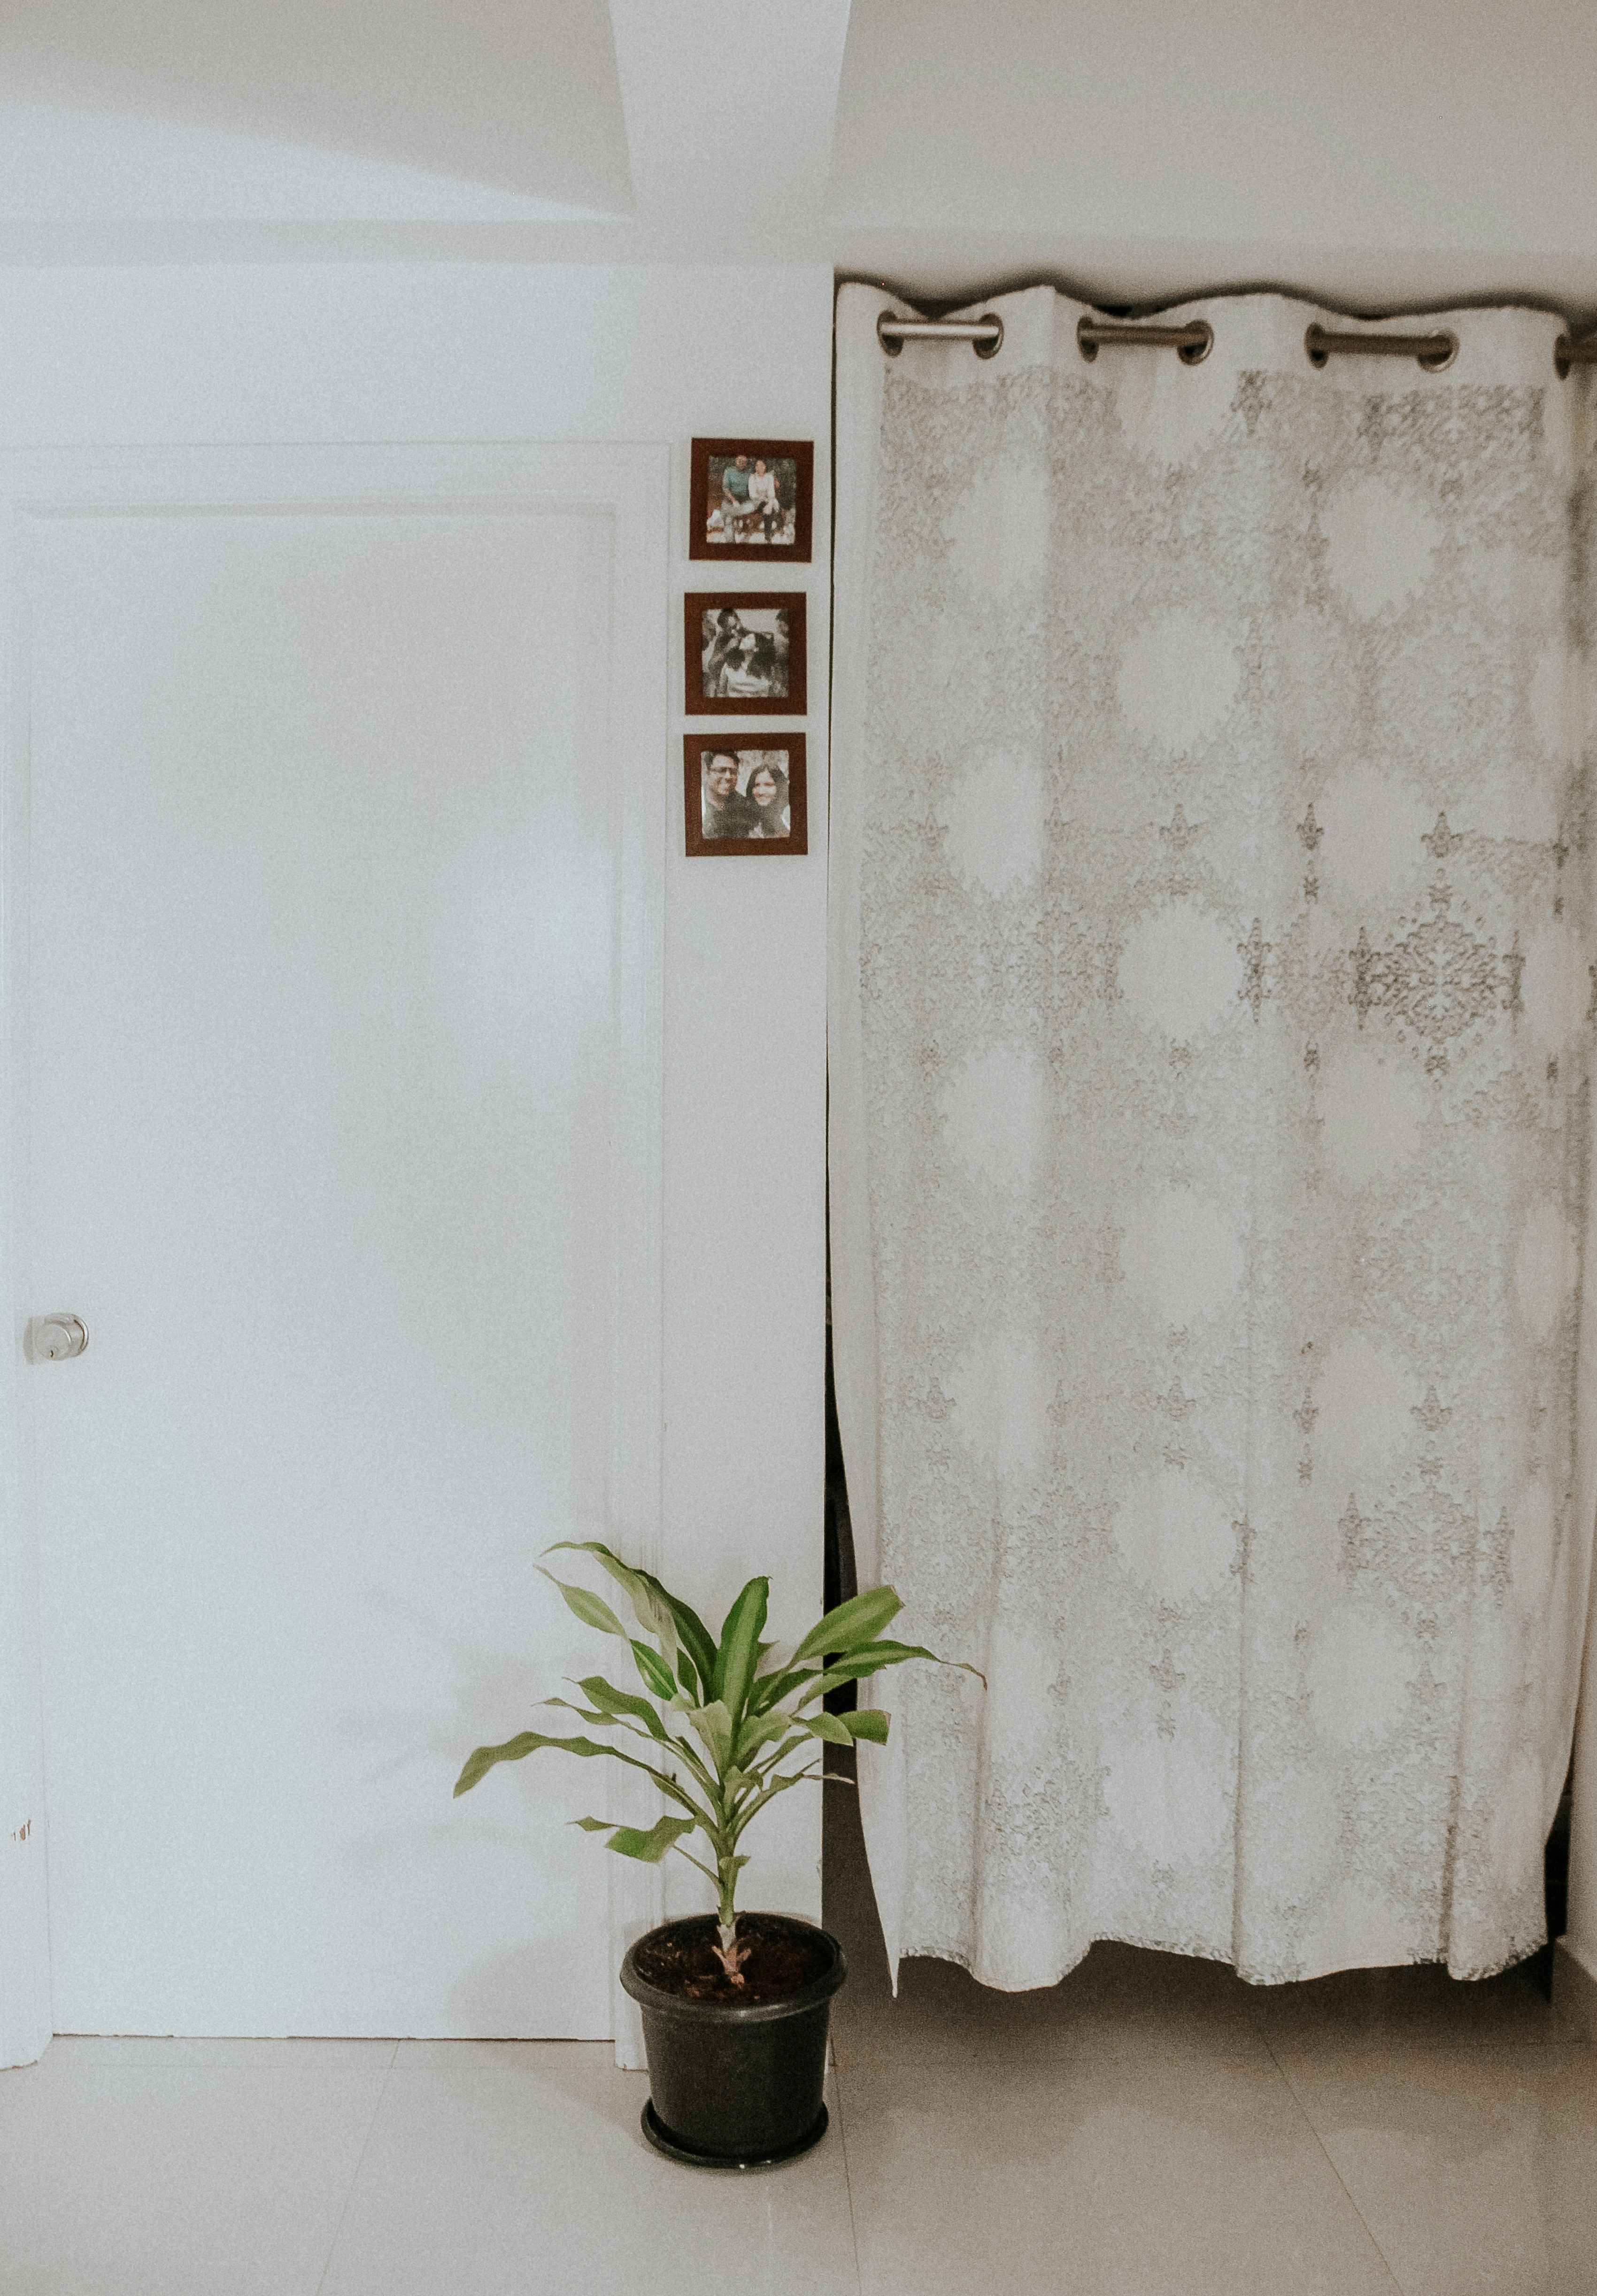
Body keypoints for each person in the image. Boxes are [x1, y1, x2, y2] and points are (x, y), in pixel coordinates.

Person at [701, 750, 756, 838]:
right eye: (721, 770)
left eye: (733, 772)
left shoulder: (744, 805)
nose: (728, 777)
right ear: (707, 773)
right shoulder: (696, 803)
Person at [744, 755, 790, 838]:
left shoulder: (787, 821)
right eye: (757, 785)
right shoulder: (745, 823)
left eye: (768, 785)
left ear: (780, 788)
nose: (761, 792)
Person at [701, 609, 744, 698]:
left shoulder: (748, 638)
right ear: (724, 629)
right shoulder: (722, 639)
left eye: (735, 626)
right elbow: (711, 665)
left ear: (739, 621)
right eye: (729, 629)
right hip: (725, 687)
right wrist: (727, 649)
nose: (733, 632)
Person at [717, 455, 754, 544]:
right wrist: (734, 500)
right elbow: (726, 489)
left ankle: (719, 516)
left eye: (744, 462)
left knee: (751, 507)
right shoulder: (729, 471)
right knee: (728, 520)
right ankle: (731, 543)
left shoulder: (749, 472)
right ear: (735, 462)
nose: (741, 463)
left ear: (746, 464)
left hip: (746, 501)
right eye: (739, 461)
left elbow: (761, 476)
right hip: (731, 500)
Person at [747, 457, 780, 543]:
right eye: (757, 466)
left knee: (769, 509)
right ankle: (769, 535)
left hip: (770, 500)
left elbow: (771, 493)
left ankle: (767, 537)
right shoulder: (752, 478)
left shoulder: (769, 477)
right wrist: (764, 499)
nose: (759, 468)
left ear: (765, 467)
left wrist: (770, 503)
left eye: (761, 465)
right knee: (767, 508)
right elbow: (753, 495)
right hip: (757, 502)